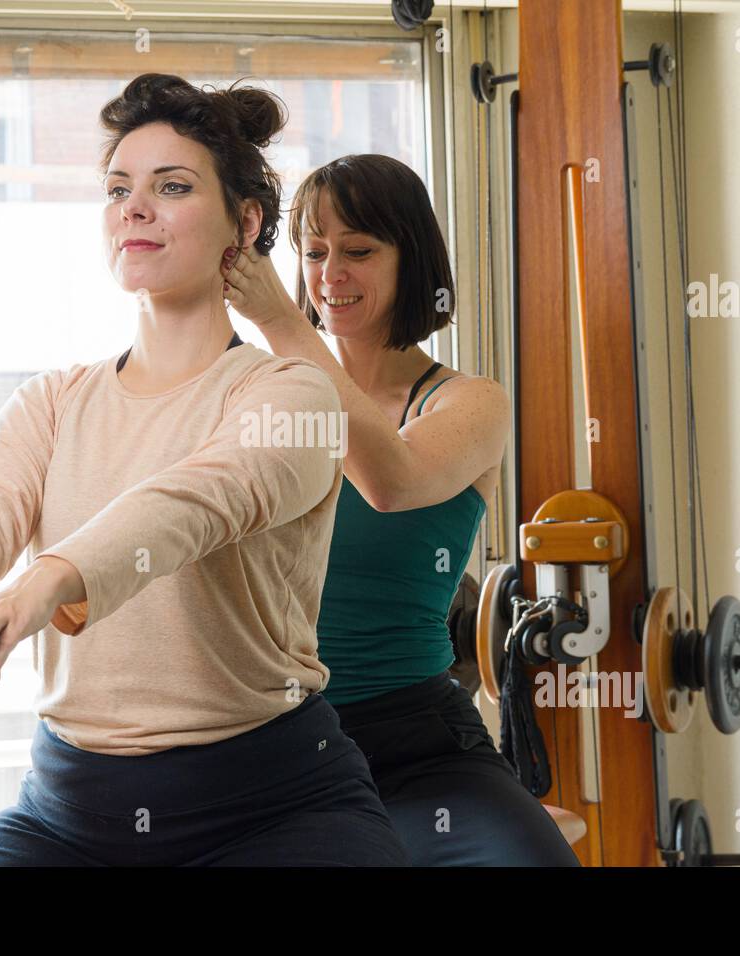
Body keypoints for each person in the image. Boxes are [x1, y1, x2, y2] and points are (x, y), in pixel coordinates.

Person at [0, 74, 407, 867]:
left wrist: (31, 595)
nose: (134, 209)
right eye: (119, 189)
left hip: (273, 809)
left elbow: (195, 501)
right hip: (68, 817)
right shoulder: (53, 400)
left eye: (171, 187)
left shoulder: (292, 394)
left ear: (244, 223)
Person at [221, 153, 579, 866]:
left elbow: (392, 479)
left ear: (410, 259)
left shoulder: (472, 402)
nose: (330, 275)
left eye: (358, 251)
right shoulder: (263, 395)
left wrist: (277, 320)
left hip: (418, 744)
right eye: (315, 252)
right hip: (278, 742)